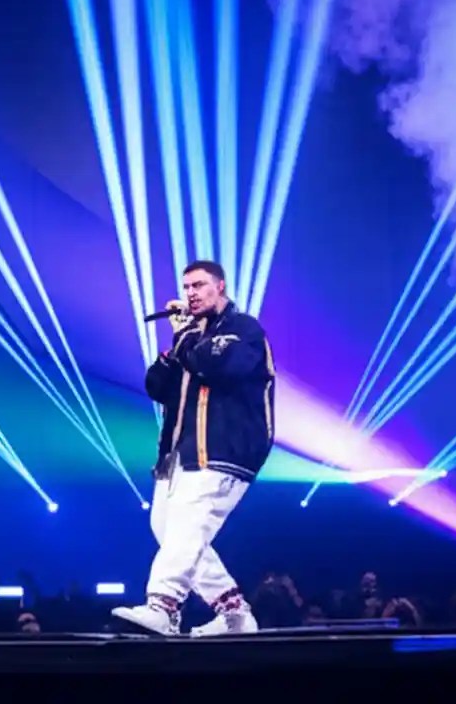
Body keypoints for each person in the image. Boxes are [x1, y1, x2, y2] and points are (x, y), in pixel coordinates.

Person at [111, 260, 276, 636]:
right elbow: (157, 386)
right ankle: (234, 613)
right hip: (182, 454)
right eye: (186, 287)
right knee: (169, 529)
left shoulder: (243, 329)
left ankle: (163, 606)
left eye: (199, 285)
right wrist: (175, 347)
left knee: (186, 526)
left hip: (224, 449)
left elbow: (221, 366)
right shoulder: (192, 339)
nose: (191, 294)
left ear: (221, 287)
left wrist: (186, 336)